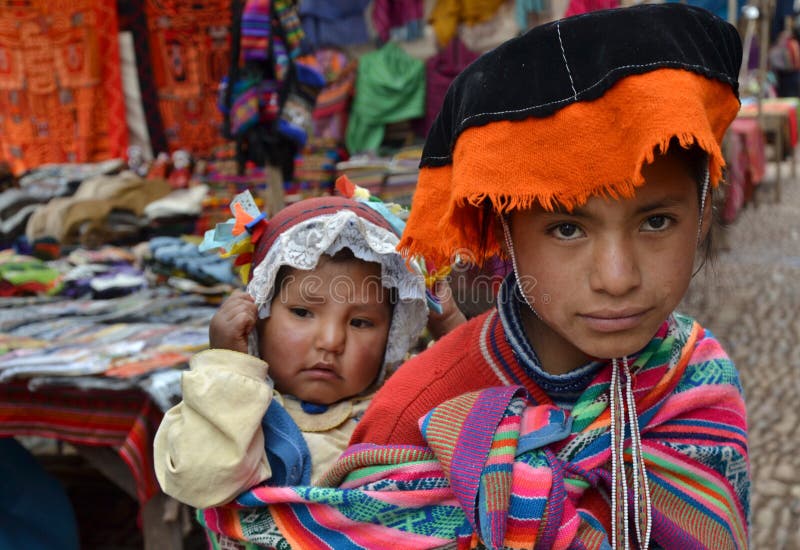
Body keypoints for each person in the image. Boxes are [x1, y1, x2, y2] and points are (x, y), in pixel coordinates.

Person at [345, 3, 750, 548]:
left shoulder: (699, 382)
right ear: (503, 228)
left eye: (656, 221)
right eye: (566, 229)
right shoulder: (412, 418)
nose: (616, 278)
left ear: (701, 214)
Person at [153, 188, 433, 509]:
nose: (331, 341)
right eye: (302, 312)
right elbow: (198, 479)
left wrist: (449, 322)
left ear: (393, 335)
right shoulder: (239, 409)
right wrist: (228, 365)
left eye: (360, 322)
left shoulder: (404, 409)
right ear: (258, 318)